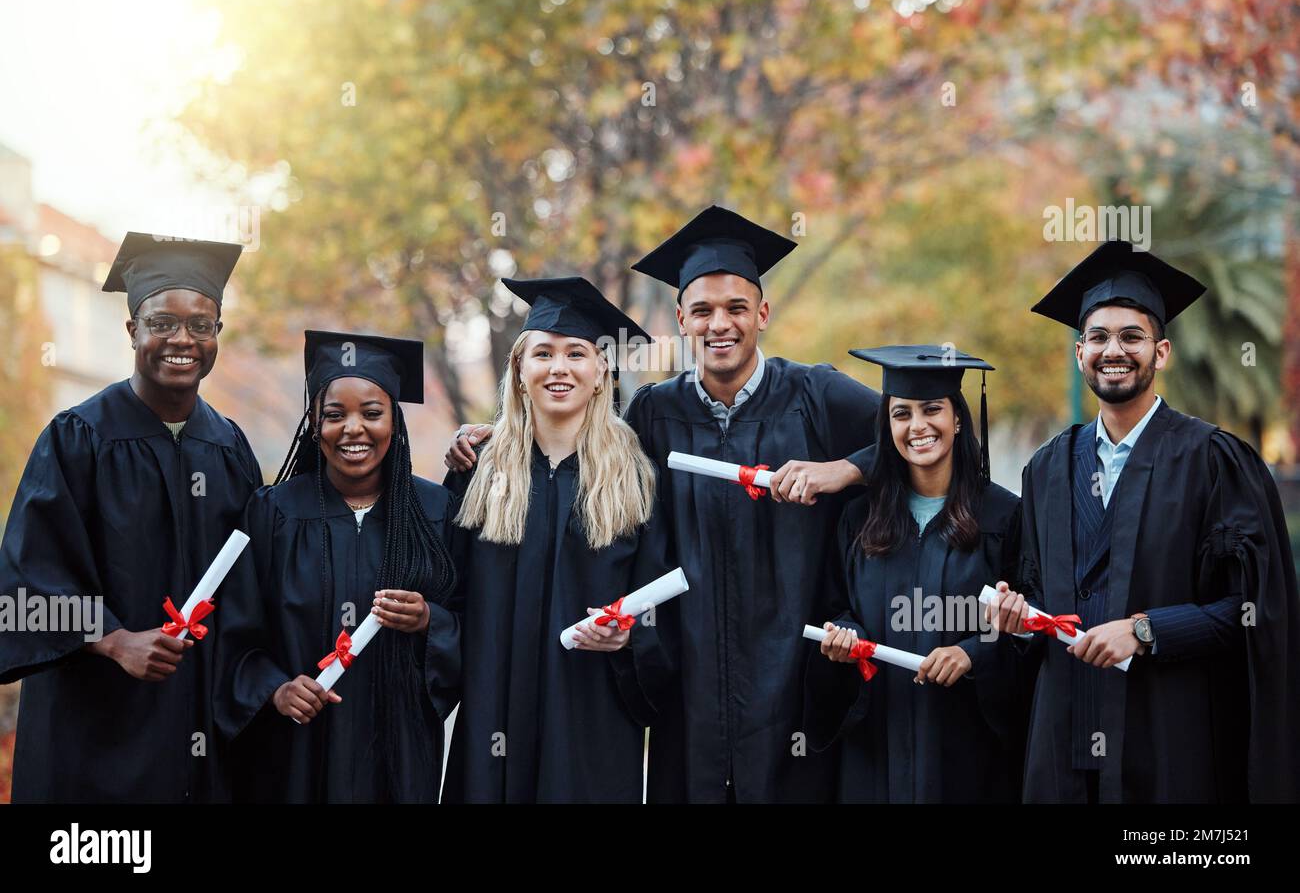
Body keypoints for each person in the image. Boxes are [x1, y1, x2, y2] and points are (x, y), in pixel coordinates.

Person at [446, 207, 880, 802]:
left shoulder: (814, 394)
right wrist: (492, 437)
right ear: (681, 320)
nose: (719, 324)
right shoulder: (654, 412)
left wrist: (841, 469)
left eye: (735, 308)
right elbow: (577, 447)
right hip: (693, 670)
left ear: (763, 313)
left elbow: (920, 437)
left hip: (790, 657)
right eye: (701, 311)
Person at [989, 239, 1300, 802]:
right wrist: (1017, 614)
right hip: (1061, 748)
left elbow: (1256, 611)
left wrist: (1145, 630)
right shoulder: (1046, 468)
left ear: (1161, 353)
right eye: (1099, 338)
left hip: (1167, 744)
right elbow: (1034, 596)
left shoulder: (1214, 461)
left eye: (1132, 336)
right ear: (1080, 352)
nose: (1115, 350)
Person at [0, 232, 260, 802]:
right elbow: (26, 586)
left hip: (200, 722)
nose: (182, 340)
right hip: (95, 728)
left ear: (217, 334)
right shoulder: (77, 439)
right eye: (162, 323)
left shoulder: (229, 447)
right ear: (133, 331)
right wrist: (115, 640)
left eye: (200, 325)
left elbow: (255, 582)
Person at [442, 276, 673, 803]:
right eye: (542, 354)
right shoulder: (476, 473)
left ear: (600, 374)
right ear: (519, 373)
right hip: (492, 716)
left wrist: (629, 638)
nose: (559, 367)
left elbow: (658, 608)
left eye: (576, 353)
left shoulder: (635, 483)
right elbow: (449, 600)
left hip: (589, 719)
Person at [215, 332, 459, 803]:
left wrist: (431, 620)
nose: (353, 429)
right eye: (334, 415)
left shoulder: (434, 513)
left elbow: (475, 622)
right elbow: (236, 632)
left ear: (394, 422)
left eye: (372, 413)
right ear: (313, 422)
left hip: (399, 753)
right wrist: (276, 689)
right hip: (295, 752)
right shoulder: (273, 513)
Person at [805, 346, 1032, 802]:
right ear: (887, 428)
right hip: (875, 750)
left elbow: (1031, 626)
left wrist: (974, 653)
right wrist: (844, 637)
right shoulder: (857, 519)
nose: (918, 427)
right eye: (901, 414)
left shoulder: (1004, 516)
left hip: (969, 756)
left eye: (932, 410)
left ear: (959, 418)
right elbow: (836, 607)